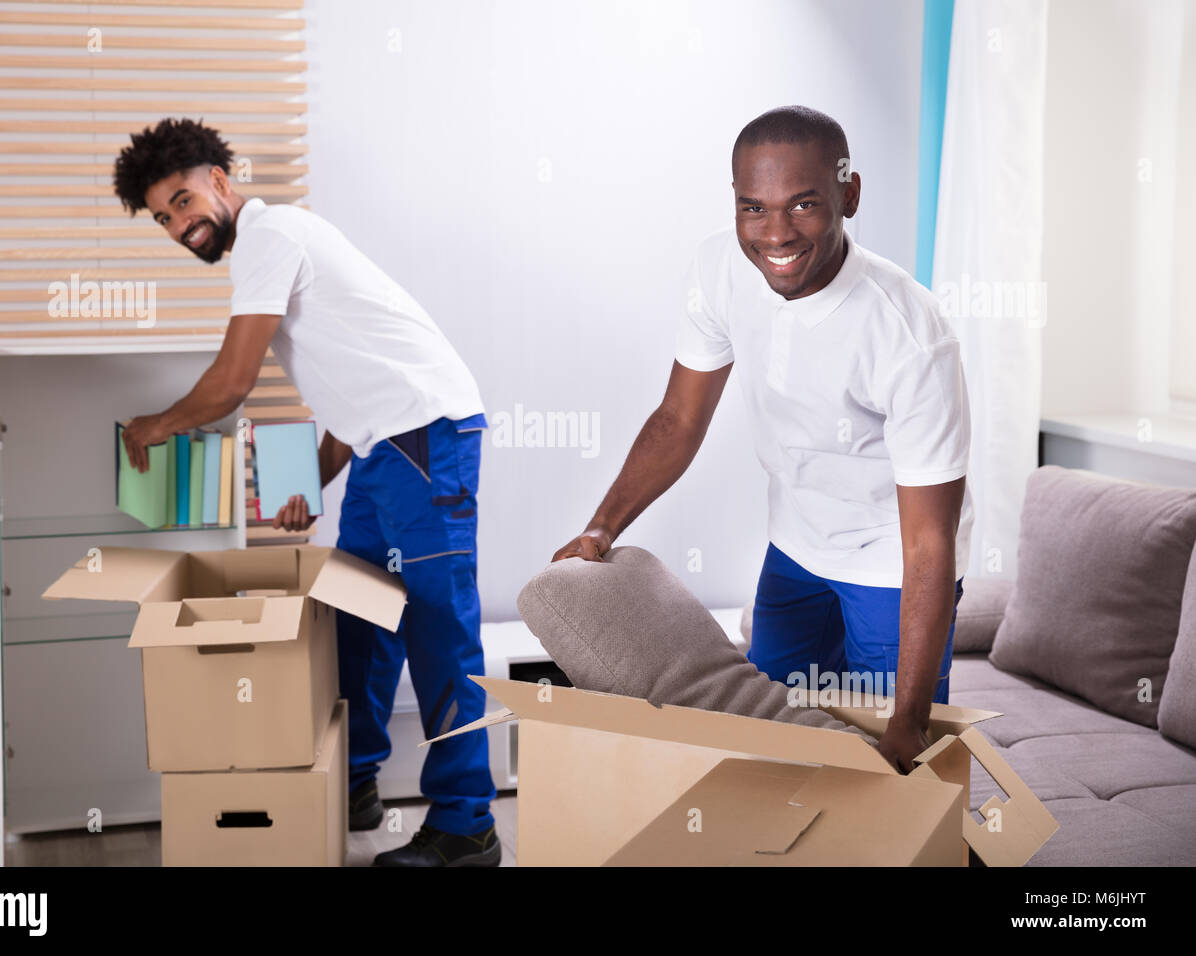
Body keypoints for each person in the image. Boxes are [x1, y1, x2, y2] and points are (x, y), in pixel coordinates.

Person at [113, 118, 499, 866]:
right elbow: (350, 375)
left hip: (425, 436)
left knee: (437, 629)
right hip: (378, 445)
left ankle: (466, 826)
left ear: (220, 182)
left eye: (183, 201)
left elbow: (231, 383)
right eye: (163, 217)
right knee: (356, 617)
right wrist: (313, 483)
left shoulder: (269, 238)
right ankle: (352, 779)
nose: (178, 225)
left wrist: (154, 427)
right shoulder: (271, 246)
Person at [552, 105, 974, 774]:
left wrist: (911, 720)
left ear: (850, 194)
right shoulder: (719, 267)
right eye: (755, 208)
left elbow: (928, 539)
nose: (776, 232)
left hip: (892, 563)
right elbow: (677, 419)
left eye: (804, 205)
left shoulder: (909, 333)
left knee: (905, 771)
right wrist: (601, 529)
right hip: (797, 546)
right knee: (773, 748)